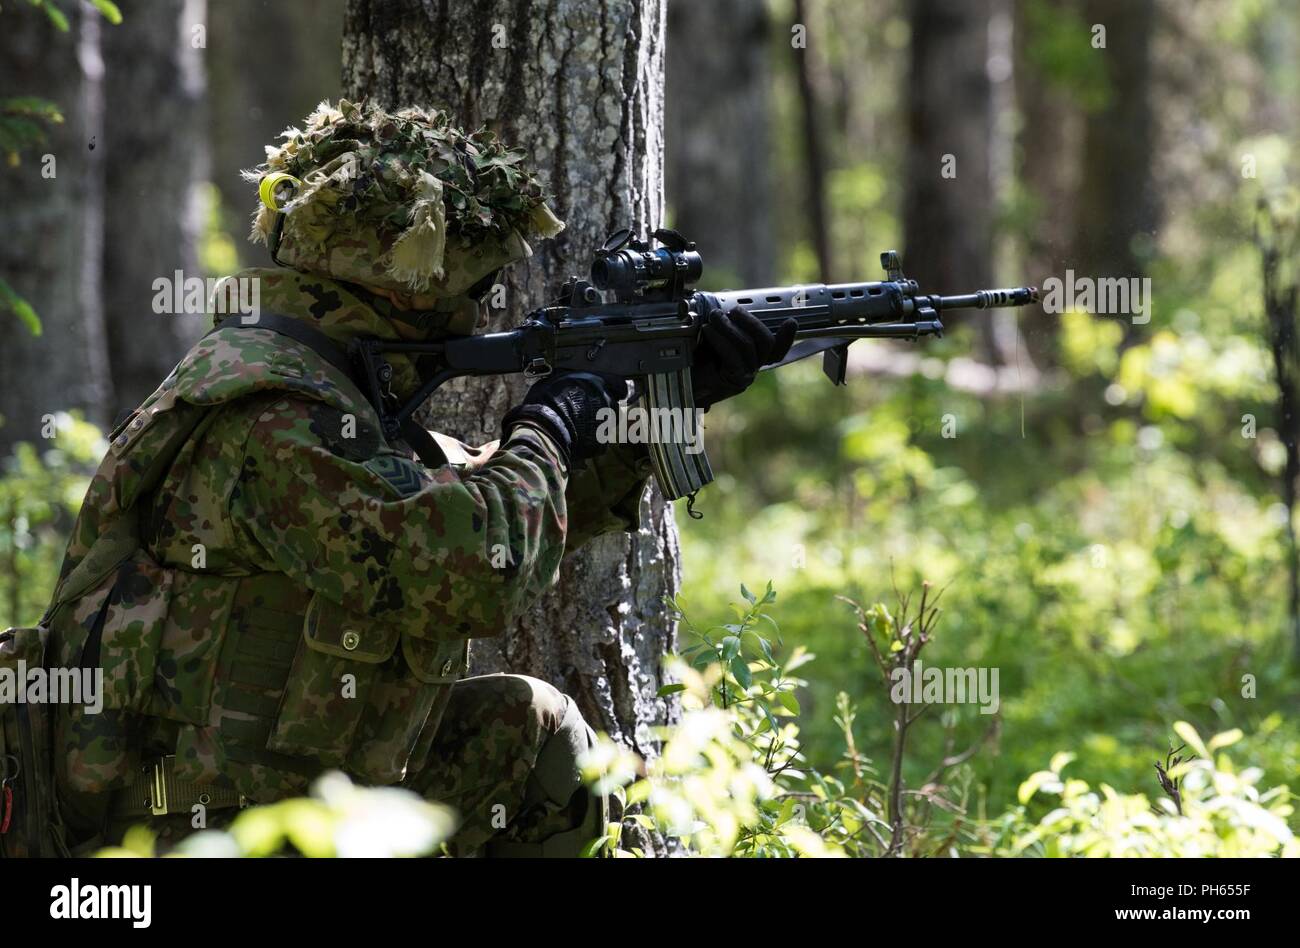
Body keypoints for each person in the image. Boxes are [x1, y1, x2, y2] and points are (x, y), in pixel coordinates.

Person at [34, 100, 794, 857]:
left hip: (277, 790)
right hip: (185, 833)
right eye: (473, 291)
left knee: (528, 734)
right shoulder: (272, 417)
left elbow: (476, 510)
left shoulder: (317, 383)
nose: (475, 315)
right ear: (406, 290)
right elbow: (472, 565)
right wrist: (552, 417)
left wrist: (657, 414)